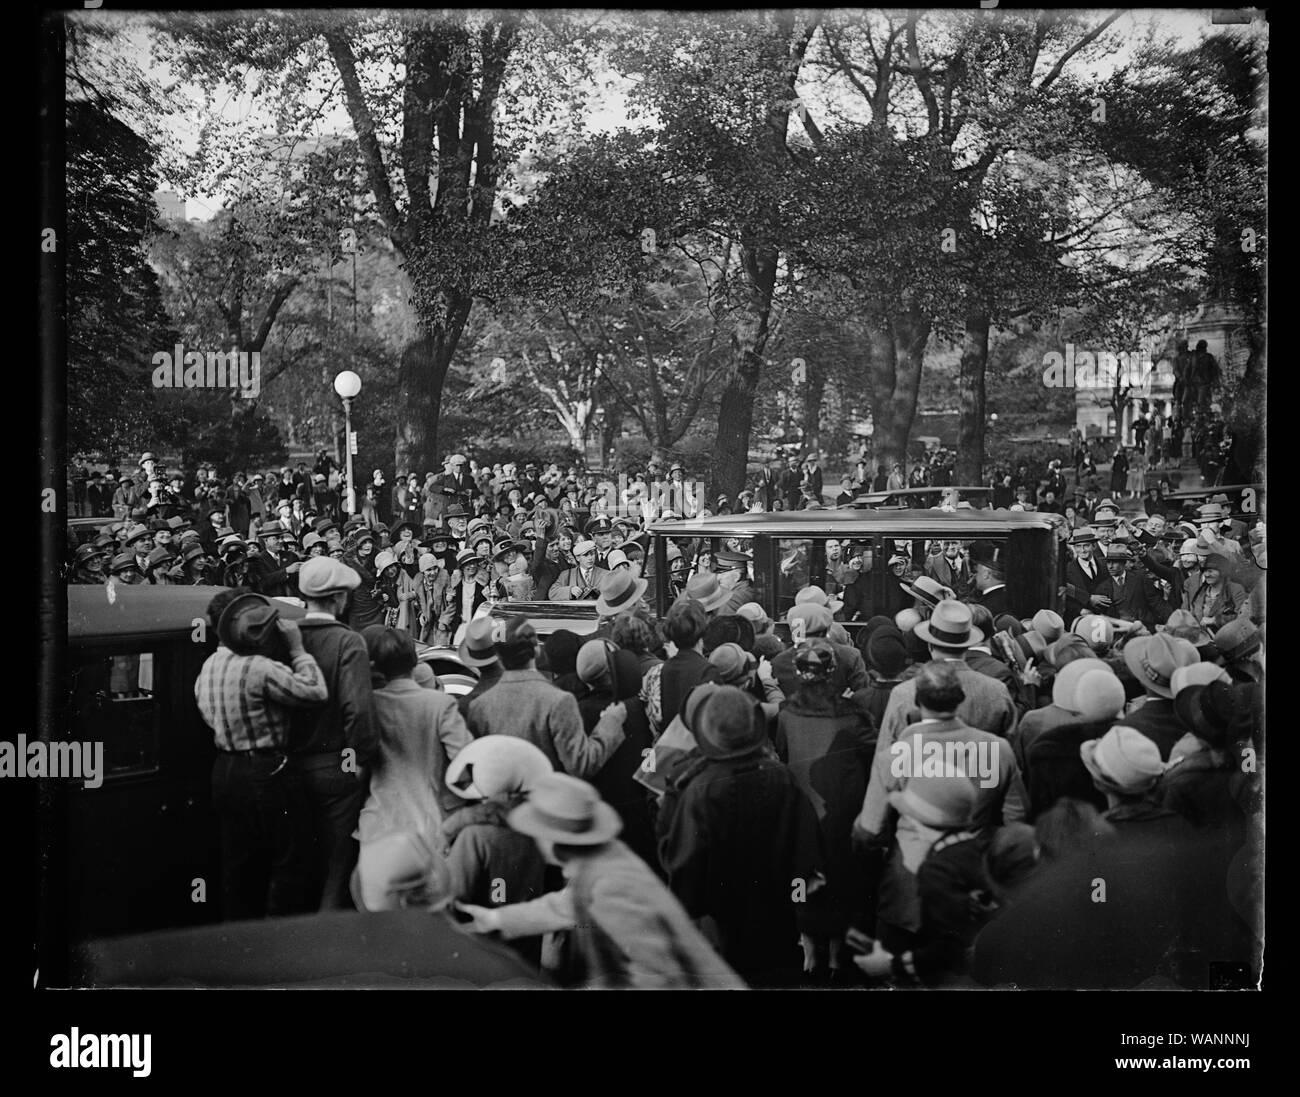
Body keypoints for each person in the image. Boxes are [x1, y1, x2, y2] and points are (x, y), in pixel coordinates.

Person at [456, 774, 745, 988]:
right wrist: (495, 918)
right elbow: (561, 906)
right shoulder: (599, 861)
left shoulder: (610, 887)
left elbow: (657, 974)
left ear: (554, 840)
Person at [854, 661, 1026, 958]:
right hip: (974, 885)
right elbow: (1017, 818)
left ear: (918, 702)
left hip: (909, 889)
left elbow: (870, 829)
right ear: (961, 700)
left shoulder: (893, 756)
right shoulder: (998, 749)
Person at [657, 686, 823, 986]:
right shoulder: (781, 776)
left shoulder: (697, 788)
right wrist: (803, 919)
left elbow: (683, 868)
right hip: (777, 928)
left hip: (718, 936)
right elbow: (805, 860)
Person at [195, 591, 328, 921]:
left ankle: (238, 936)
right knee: (288, 859)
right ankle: (277, 940)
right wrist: (297, 649)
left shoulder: (209, 665)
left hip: (226, 768)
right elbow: (316, 691)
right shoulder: (259, 667)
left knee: (239, 863)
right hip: (266, 770)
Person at [774, 639, 875, 980]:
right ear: (832, 672)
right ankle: (834, 955)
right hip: (841, 808)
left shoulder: (787, 713)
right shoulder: (853, 715)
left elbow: (782, 754)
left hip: (802, 809)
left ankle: (808, 952)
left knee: (801, 878)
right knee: (839, 878)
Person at [290, 557, 380, 910]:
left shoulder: (287, 636)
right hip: (335, 766)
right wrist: (361, 761)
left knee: (300, 861)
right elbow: (358, 711)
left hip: (291, 764)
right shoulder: (348, 642)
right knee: (337, 864)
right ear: (340, 598)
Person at [358, 626, 473, 854]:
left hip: (377, 824)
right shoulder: (440, 704)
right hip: (430, 824)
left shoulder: (367, 705)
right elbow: (465, 765)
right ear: (413, 661)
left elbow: (354, 765)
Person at [466, 616, 628, 778]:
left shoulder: (478, 707)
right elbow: (581, 764)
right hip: (548, 797)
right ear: (536, 650)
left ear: (499, 657)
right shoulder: (559, 700)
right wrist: (610, 722)